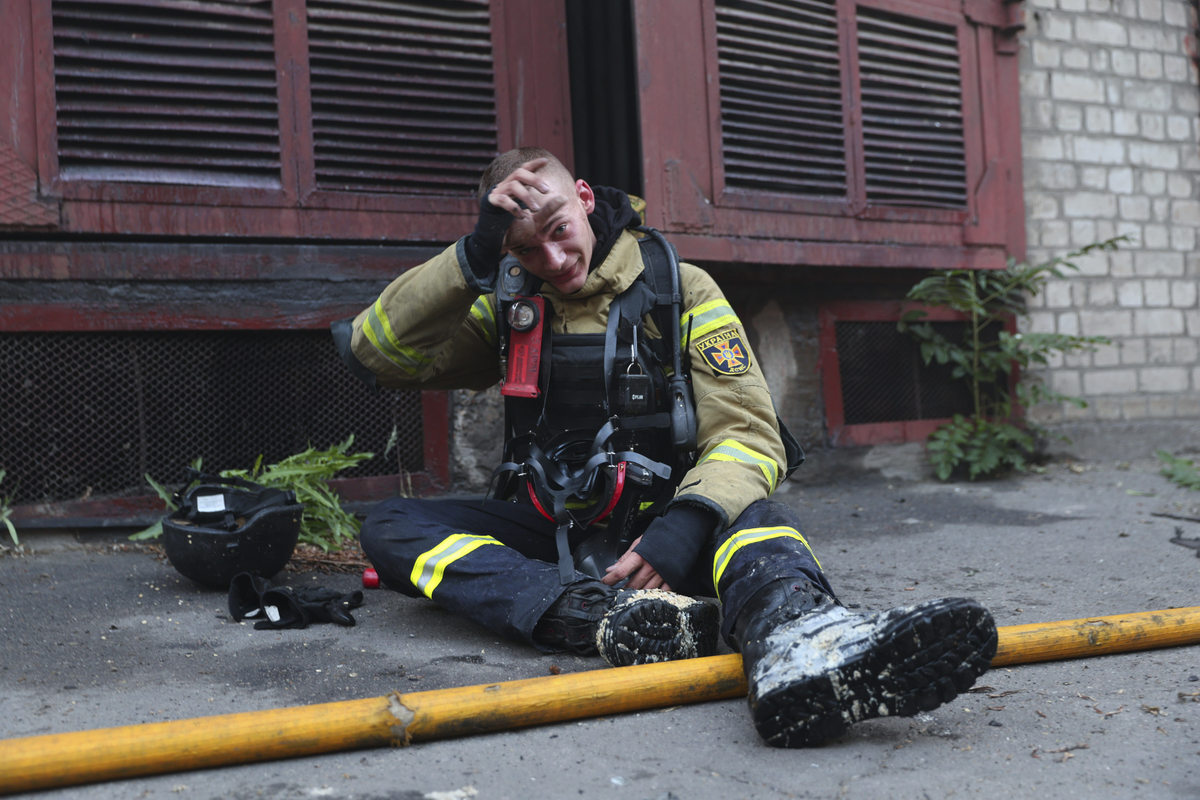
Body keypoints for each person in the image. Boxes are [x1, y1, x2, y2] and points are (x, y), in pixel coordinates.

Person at [333, 146, 997, 747]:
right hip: (556, 532)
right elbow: (375, 351)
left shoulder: (679, 291)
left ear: (585, 198)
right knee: (392, 524)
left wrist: (688, 520)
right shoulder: (511, 304)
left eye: (560, 231)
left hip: (669, 533)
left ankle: (800, 640)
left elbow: (749, 433)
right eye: (527, 250)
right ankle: (599, 616)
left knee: (756, 522)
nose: (555, 262)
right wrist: (471, 260)